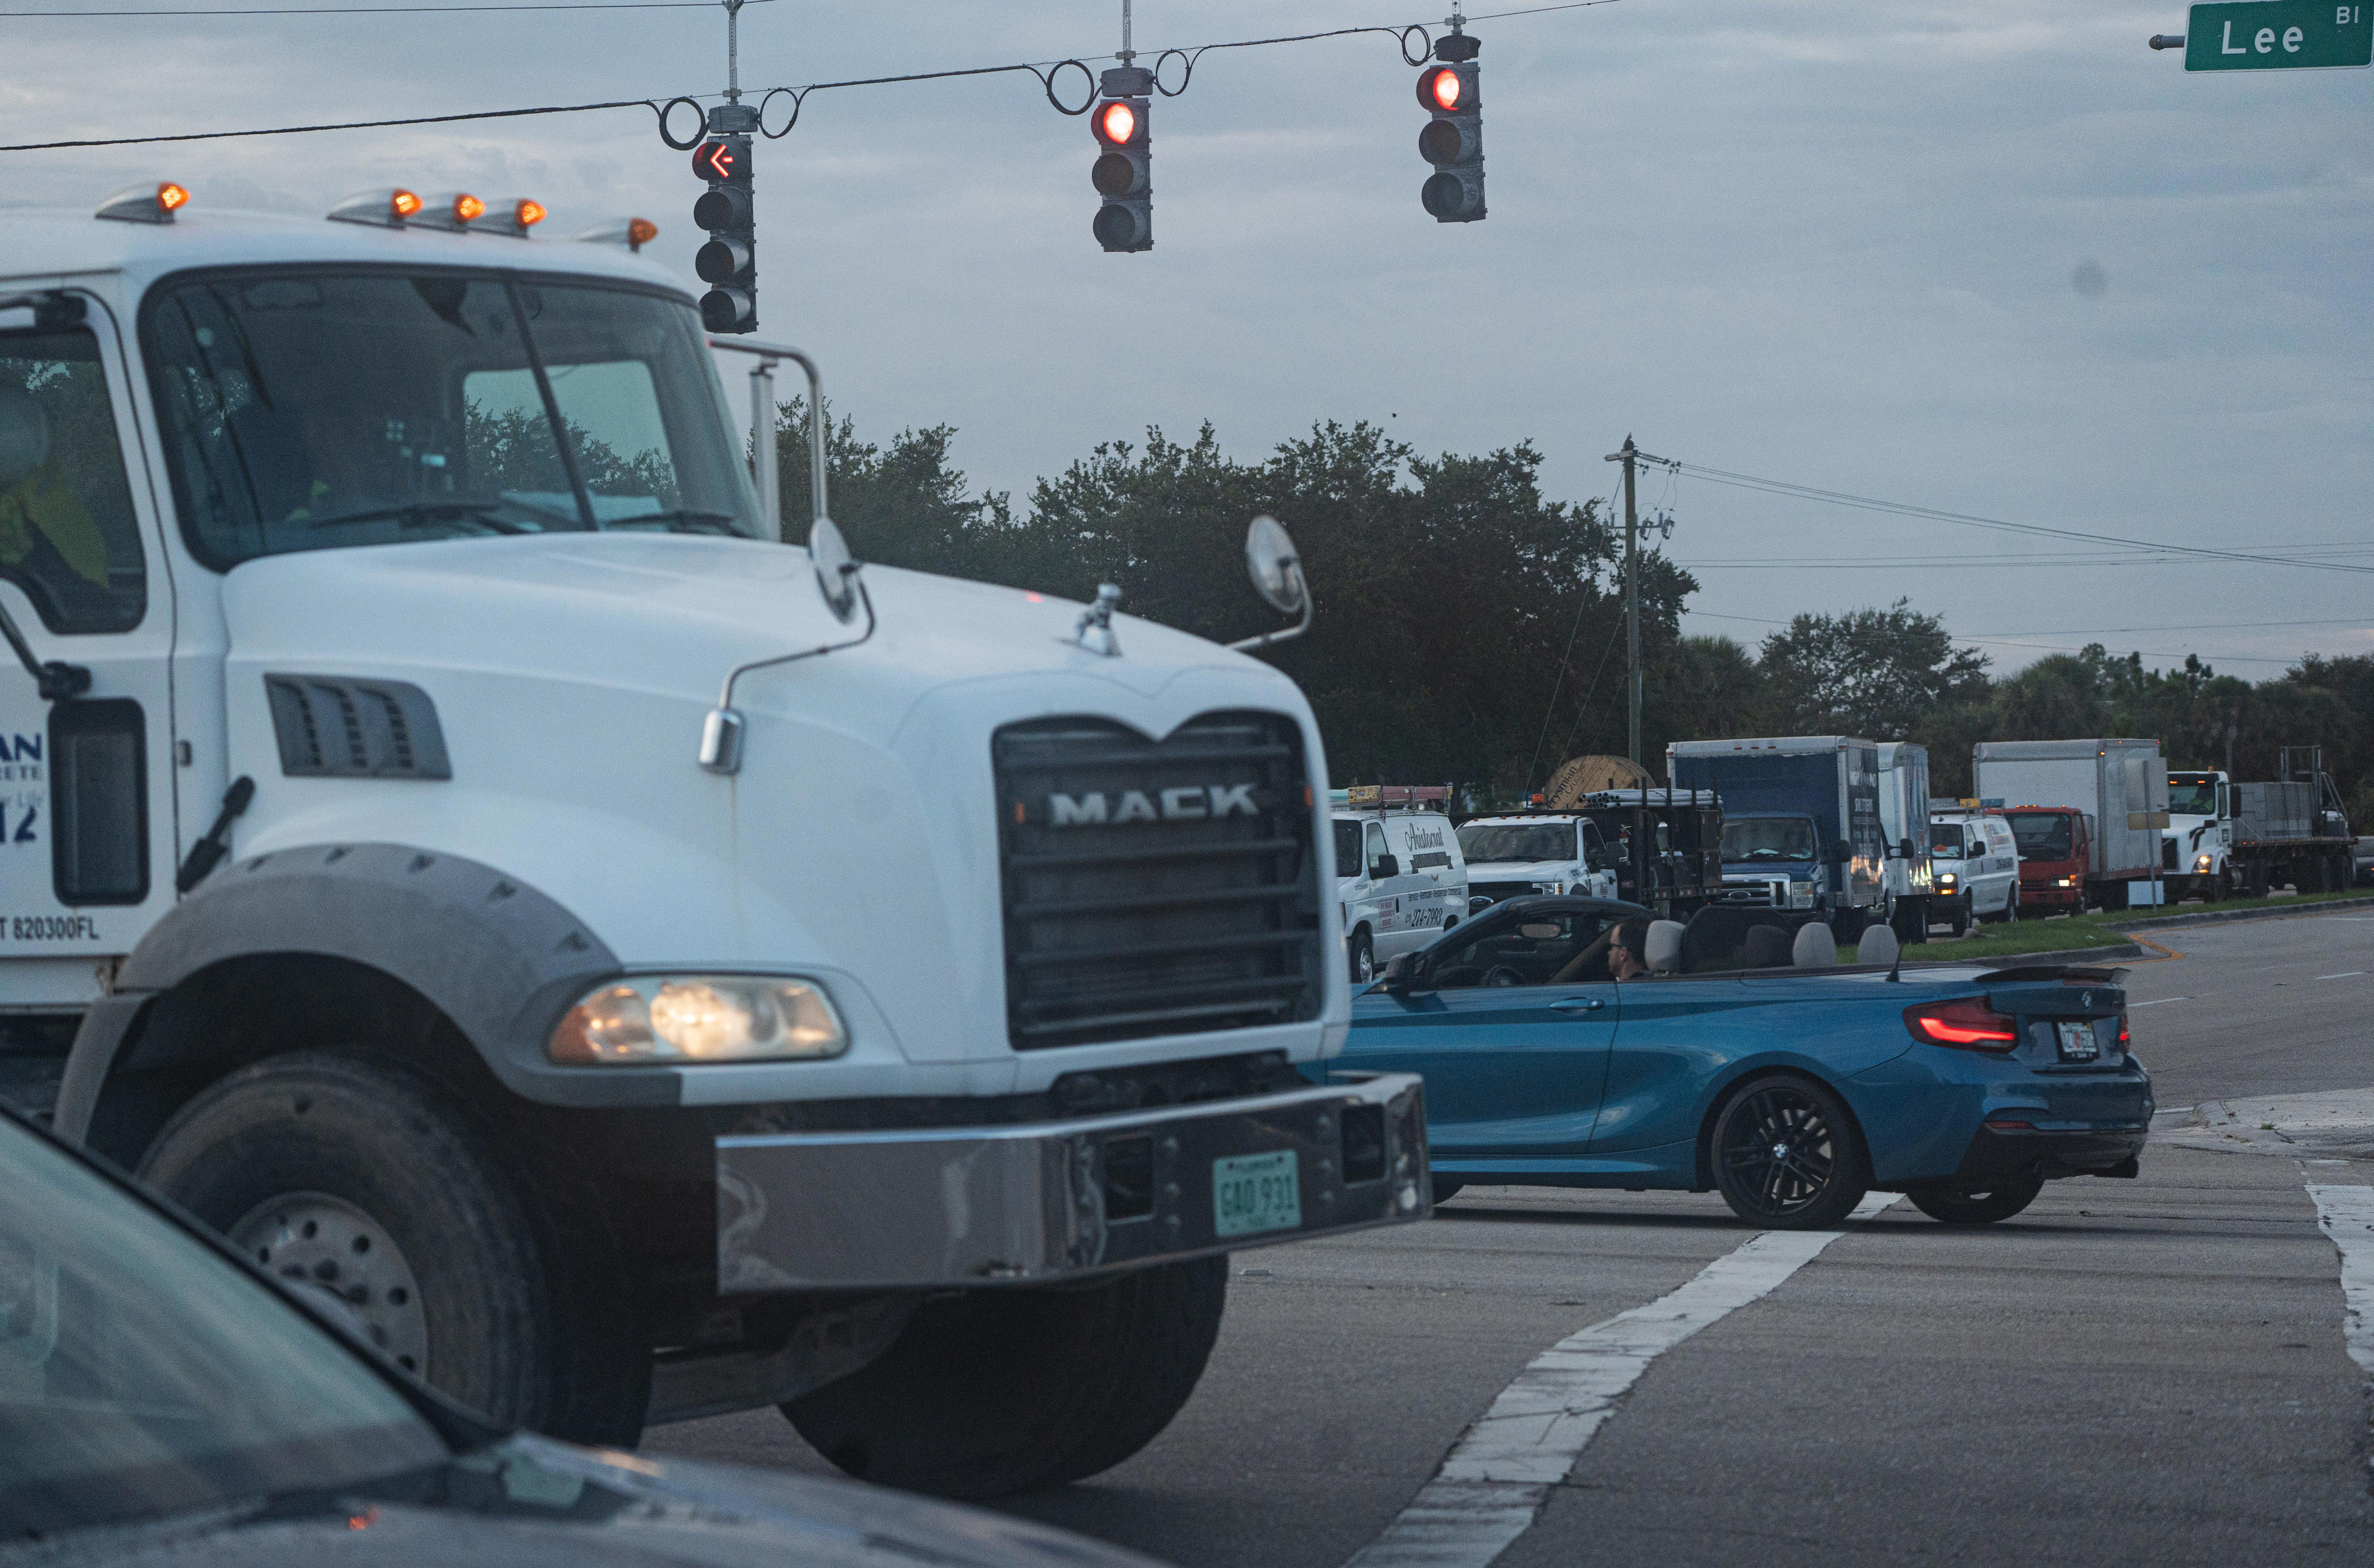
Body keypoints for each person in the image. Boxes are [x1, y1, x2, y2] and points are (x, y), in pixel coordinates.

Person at [1606, 917, 1651, 981]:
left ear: (1623, 953)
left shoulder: (1624, 990)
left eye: (1612, 947)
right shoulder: (1656, 986)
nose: (1609, 952)